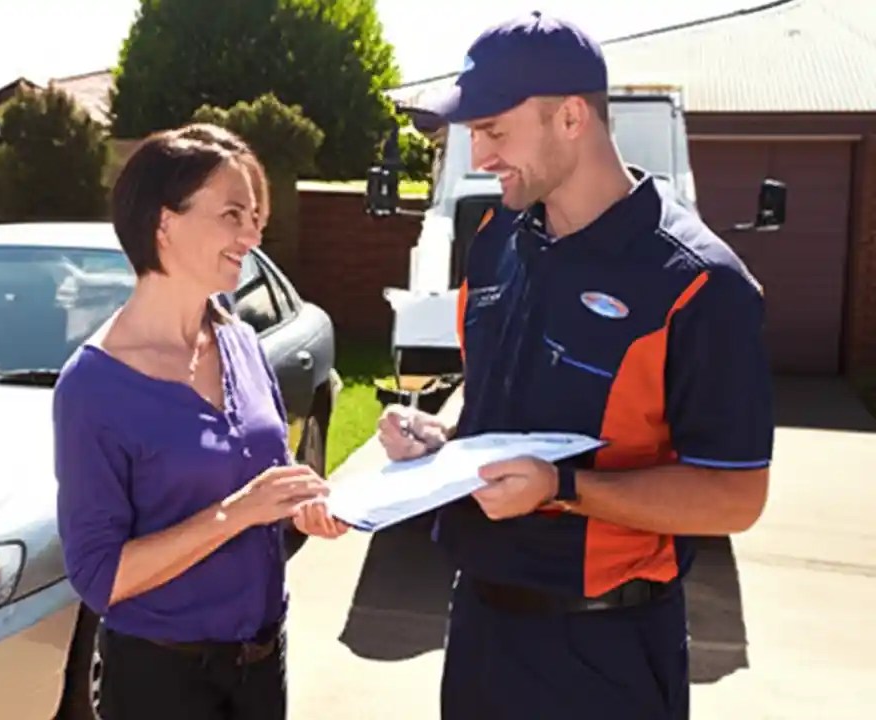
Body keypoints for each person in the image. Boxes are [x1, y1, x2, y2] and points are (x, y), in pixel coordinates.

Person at [376, 11, 773, 720]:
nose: (481, 155)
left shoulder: (698, 281)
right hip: (478, 632)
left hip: (605, 654)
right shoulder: (498, 239)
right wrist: (445, 448)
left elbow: (734, 497)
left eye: (493, 130)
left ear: (570, 117)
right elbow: (502, 413)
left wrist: (561, 488)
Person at [52, 124, 347, 720]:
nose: (254, 232)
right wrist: (235, 514)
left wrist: (302, 505)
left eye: (256, 216)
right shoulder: (94, 386)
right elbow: (99, 578)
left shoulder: (242, 343)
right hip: (161, 684)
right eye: (233, 214)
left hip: (263, 667)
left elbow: (269, 482)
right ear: (165, 223)